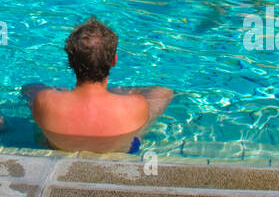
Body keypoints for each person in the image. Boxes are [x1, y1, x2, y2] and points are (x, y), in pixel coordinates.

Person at [26, 17, 173, 154]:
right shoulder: (136, 104)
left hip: (56, 148)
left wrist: (59, 94)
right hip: (121, 150)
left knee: (31, 88)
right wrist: (120, 93)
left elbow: (33, 92)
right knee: (165, 92)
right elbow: (159, 92)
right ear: (114, 60)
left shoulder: (44, 100)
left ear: (70, 61)